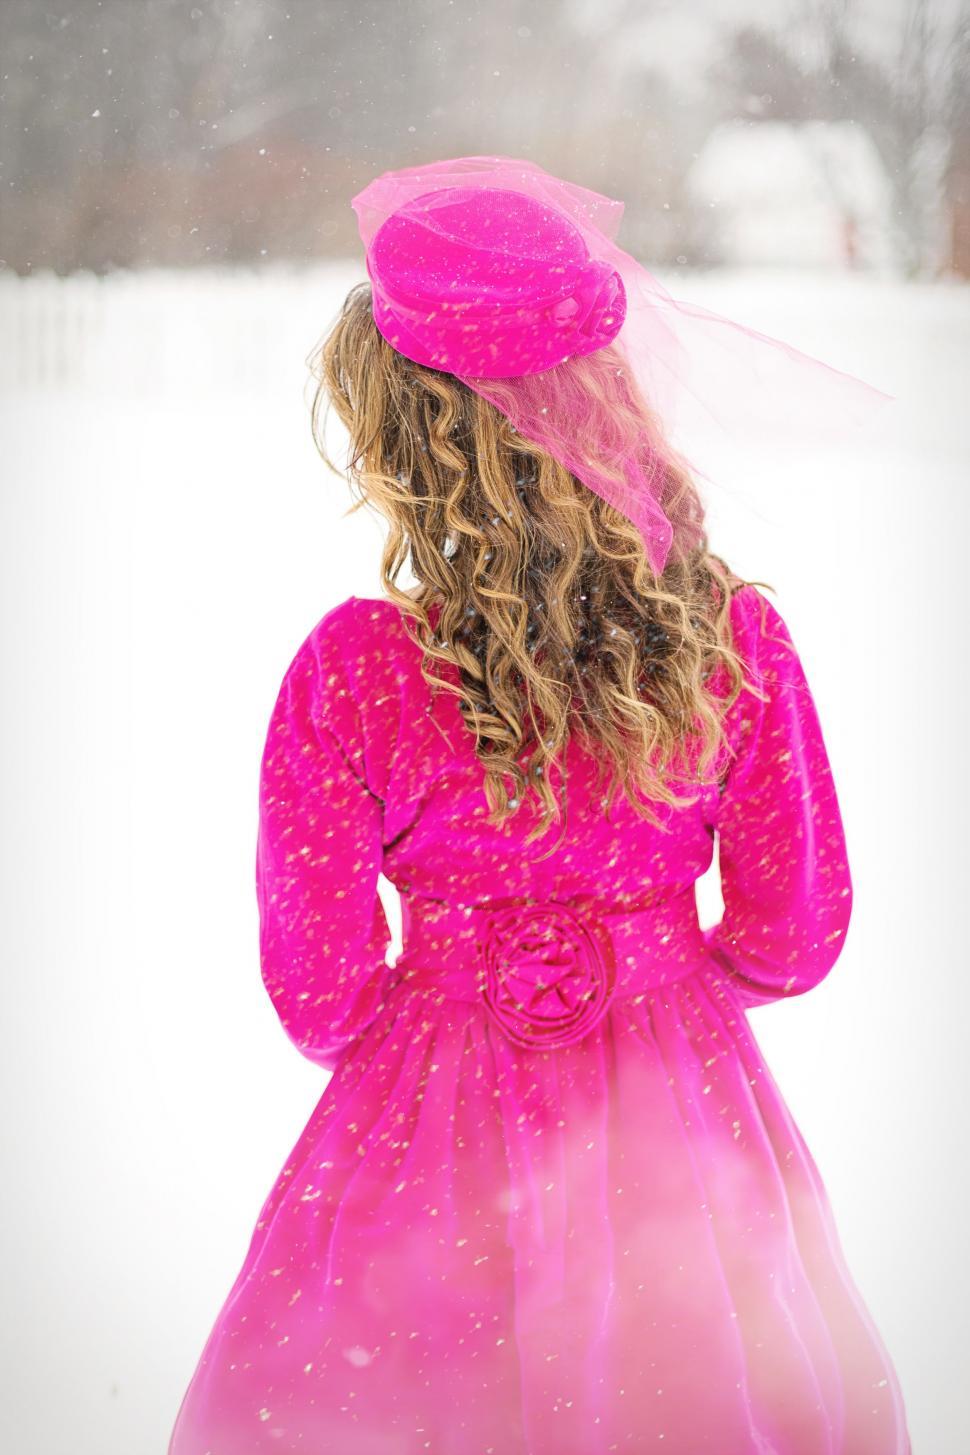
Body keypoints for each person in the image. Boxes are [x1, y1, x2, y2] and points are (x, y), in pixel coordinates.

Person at [168, 159, 911, 1454]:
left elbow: (322, 994)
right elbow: (797, 931)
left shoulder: (354, 675)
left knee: (405, 1396)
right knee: (701, 1384)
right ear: (607, 400)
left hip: (429, 1136)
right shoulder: (731, 643)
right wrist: (653, 975)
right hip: (679, 1117)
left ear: (403, 438)